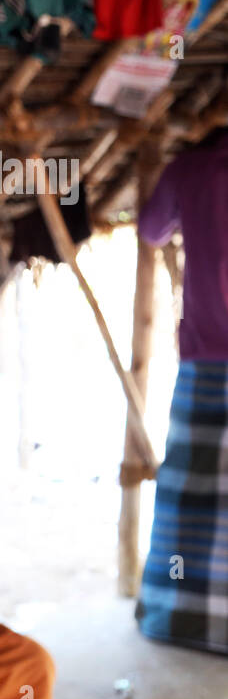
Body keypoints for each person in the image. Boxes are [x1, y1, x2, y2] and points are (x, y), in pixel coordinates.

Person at [134, 125, 228, 654]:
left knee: (191, 497)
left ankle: (179, 618)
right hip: (207, 353)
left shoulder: (191, 170)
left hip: (208, 358)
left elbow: (150, 230)